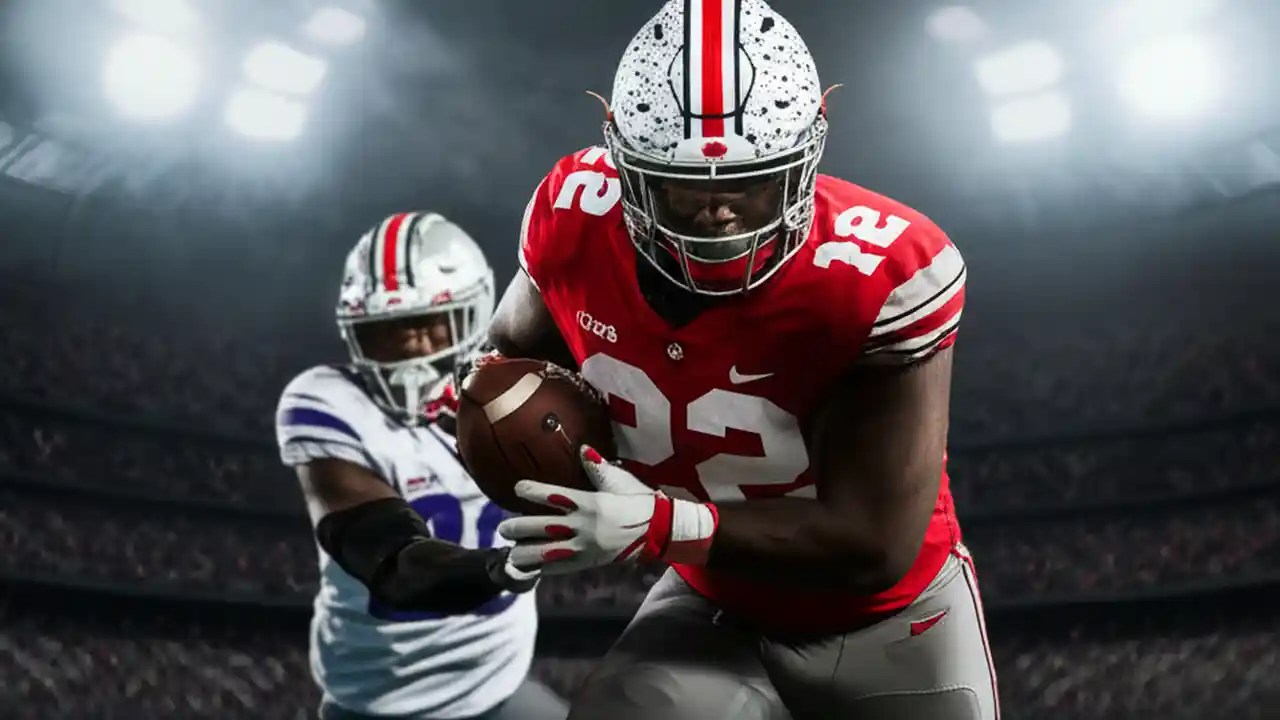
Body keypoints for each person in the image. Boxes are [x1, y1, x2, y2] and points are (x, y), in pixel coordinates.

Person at [485, 2, 998, 718]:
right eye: (684, 185)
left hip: (892, 621)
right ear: (626, 165)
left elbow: (871, 544)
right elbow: (505, 363)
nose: (717, 211)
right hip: (713, 604)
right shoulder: (573, 217)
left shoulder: (882, 270)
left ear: (806, 160)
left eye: (750, 183)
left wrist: (658, 525)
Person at [275, 212, 566, 720]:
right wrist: (504, 567)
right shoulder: (328, 401)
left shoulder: (519, 393)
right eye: (387, 330)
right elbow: (393, 563)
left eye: (430, 323)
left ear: (474, 315)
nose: (413, 346)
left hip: (501, 684)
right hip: (383, 704)